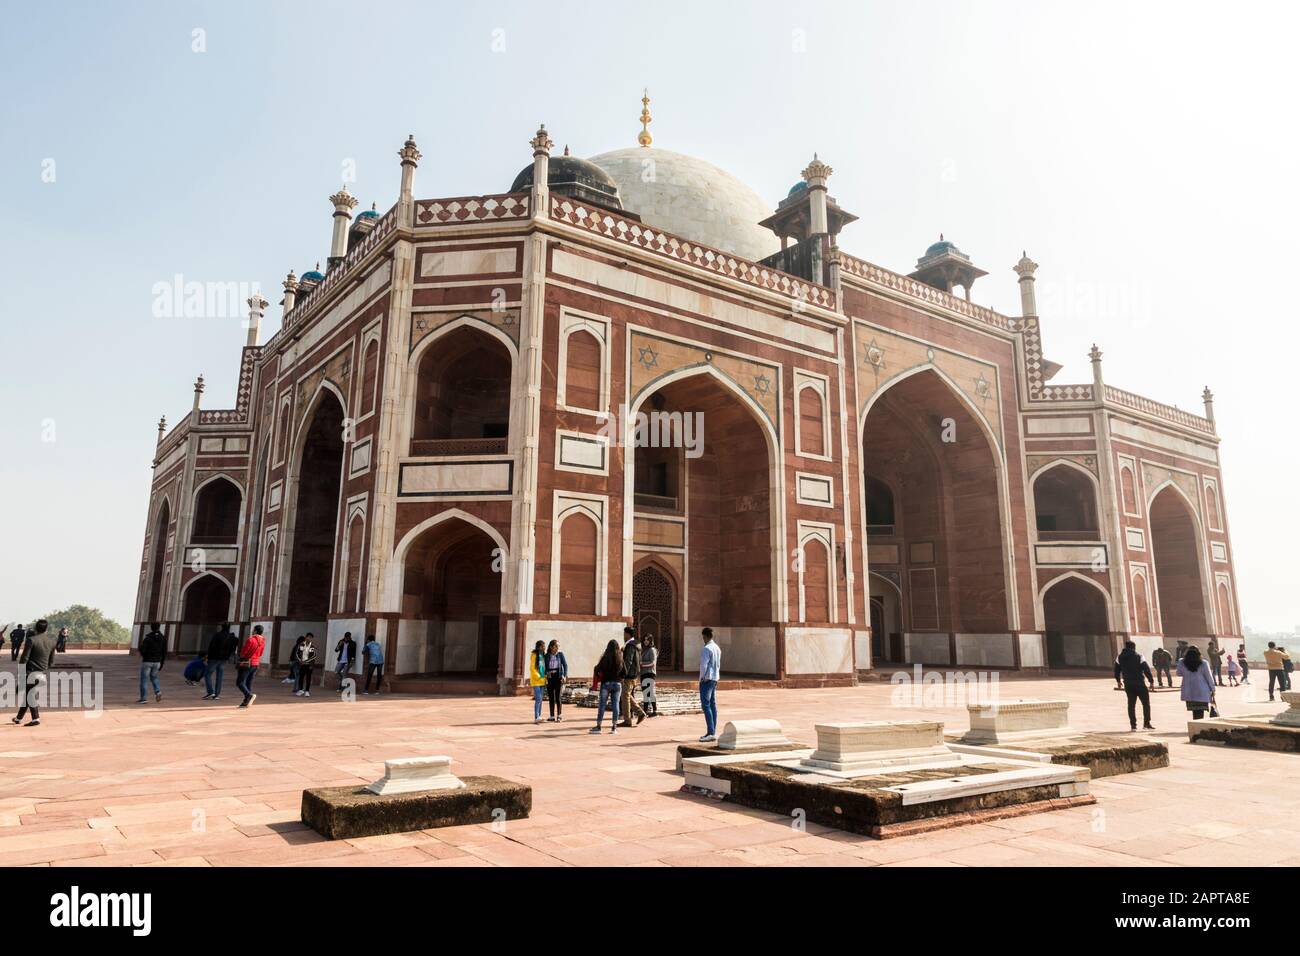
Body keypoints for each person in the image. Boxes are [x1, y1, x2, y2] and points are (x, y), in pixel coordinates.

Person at [12, 620, 56, 727]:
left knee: (29, 695)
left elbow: (24, 659)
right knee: (28, 695)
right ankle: (18, 718)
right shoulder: (51, 642)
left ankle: (36, 718)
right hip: (41, 674)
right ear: (46, 629)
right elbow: (51, 662)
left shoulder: (31, 640)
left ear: (36, 628)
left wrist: (21, 674)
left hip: (30, 673)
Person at [1113, 641, 1156, 731]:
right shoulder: (1139, 656)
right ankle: (1146, 724)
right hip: (1140, 683)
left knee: (1131, 705)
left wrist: (1118, 681)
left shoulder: (1119, 657)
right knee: (1146, 704)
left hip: (1128, 684)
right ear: (1134, 647)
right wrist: (1151, 681)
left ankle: (1133, 726)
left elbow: (1116, 670)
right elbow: (1146, 669)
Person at [589, 640, 623, 735]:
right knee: (615, 704)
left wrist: (598, 676)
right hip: (617, 683)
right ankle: (614, 727)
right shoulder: (620, 657)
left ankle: (599, 726)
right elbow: (625, 671)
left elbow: (597, 668)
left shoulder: (605, 657)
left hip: (606, 683)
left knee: (602, 705)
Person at [1178, 645, 1217, 720]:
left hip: (1189, 691)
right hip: (1202, 691)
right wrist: (1213, 689)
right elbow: (1209, 677)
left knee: (1195, 712)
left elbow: (1179, 673)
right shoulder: (1204, 663)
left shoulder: (1182, 662)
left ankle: (1196, 726)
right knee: (1200, 712)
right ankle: (1199, 727)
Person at [619, 627, 647, 727]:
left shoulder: (631, 645)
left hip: (629, 674)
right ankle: (640, 713)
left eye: (624, 634)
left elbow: (628, 661)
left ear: (628, 634)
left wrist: (623, 674)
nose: (623, 636)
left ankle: (627, 720)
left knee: (625, 696)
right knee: (626, 694)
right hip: (634, 674)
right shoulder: (636, 644)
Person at [203, 623, 237, 700]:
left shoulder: (217, 635)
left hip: (214, 658)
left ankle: (210, 692)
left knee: (207, 674)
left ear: (221, 627)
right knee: (219, 676)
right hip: (224, 659)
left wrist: (207, 657)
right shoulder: (232, 637)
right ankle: (217, 694)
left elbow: (211, 647)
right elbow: (233, 647)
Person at [698, 627, 721, 742]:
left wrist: (702, 678)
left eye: (703, 637)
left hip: (707, 679)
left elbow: (704, 666)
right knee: (712, 704)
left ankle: (711, 732)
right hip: (714, 678)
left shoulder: (706, 648)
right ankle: (712, 731)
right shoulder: (717, 648)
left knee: (706, 705)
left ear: (705, 636)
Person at [235, 624, 266, 707]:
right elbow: (261, 653)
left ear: (255, 631)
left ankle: (249, 695)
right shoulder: (263, 641)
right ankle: (246, 701)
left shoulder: (251, 640)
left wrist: (241, 656)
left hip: (247, 663)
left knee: (240, 682)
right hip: (256, 663)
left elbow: (244, 652)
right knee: (249, 682)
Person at [137, 622, 167, 704]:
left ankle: (143, 698)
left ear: (151, 627)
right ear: (159, 627)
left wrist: (144, 655)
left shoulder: (148, 638)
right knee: (154, 677)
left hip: (147, 661)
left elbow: (142, 649)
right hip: (157, 662)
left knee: (144, 680)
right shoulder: (163, 638)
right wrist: (162, 663)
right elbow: (164, 652)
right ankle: (158, 691)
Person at [544, 639, 567, 721]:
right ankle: (552, 716)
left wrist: (564, 676)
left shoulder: (560, 655)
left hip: (558, 677)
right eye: (556, 646)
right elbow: (544, 666)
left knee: (558, 697)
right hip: (550, 677)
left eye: (558, 646)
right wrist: (546, 672)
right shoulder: (547, 655)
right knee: (551, 697)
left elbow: (565, 665)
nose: (558, 648)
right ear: (551, 647)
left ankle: (559, 715)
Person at [528, 640, 547, 724]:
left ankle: (539, 716)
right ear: (539, 647)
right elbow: (532, 668)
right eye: (543, 646)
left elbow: (544, 667)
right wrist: (538, 676)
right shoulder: (534, 655)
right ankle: (536, 716)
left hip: (543, 680)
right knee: (538, 698)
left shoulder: (543, 655)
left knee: (541, 699)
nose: (544, 647)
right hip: (536, 680)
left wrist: (544, 677)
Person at [293, 632, 317, 697]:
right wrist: (300, 661)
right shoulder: (301, 645)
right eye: (308, 637)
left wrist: (307, 661)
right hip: (302, 664)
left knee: (308, 678)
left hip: (309, 665)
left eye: (311, 638)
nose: (309, 638)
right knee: (301, 677)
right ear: (306, 637)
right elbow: (297, 653)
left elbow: (314, 656)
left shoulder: (312, 646)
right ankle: (300, 690)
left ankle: (307, 691)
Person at [640, 636, 659, 718]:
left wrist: (642, 664)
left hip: (650, 673)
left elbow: (652, 663)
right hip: (644, 673)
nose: (645, 641)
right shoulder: (644, 649)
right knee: (645, 693)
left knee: (650, 692)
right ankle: (645, 711)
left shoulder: (652, 650)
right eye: (644, 639)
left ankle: (654, 711)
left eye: (647, 639)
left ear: (651, 640)